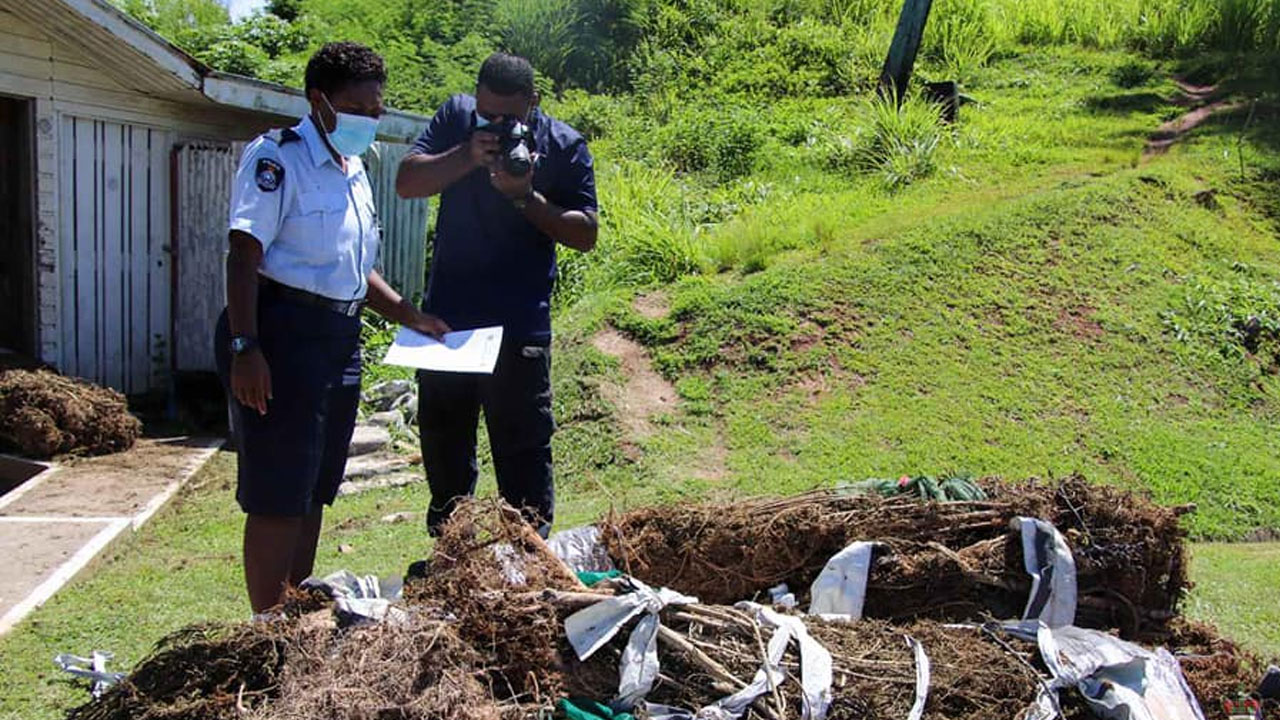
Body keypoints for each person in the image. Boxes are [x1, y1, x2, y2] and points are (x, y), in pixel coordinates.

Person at [216, 41, 450, 615]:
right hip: (280, 332)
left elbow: (352, 269)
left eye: (376, 109)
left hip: (337, 341)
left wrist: (408, 314)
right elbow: (243, 255)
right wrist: (247, 347)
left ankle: (295, 610)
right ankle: (265, 627)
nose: (371, 119)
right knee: (278, 490)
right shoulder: (279, 158)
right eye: (359, 108)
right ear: (319, 101)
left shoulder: (354, 169)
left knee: (316, 484)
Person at [396, 52, 599, 538]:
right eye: (487, 114)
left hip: (519, 326)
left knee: (523, 454)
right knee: (445, 454)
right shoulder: (456, 119)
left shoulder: (564, 144)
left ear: (533, 102)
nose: (495, 125)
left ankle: (530, 563)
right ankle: (453, 559)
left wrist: (525, 197)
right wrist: (466, 153)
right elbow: (407, 182)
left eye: (508, 117)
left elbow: (585, 234)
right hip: (447, 324)